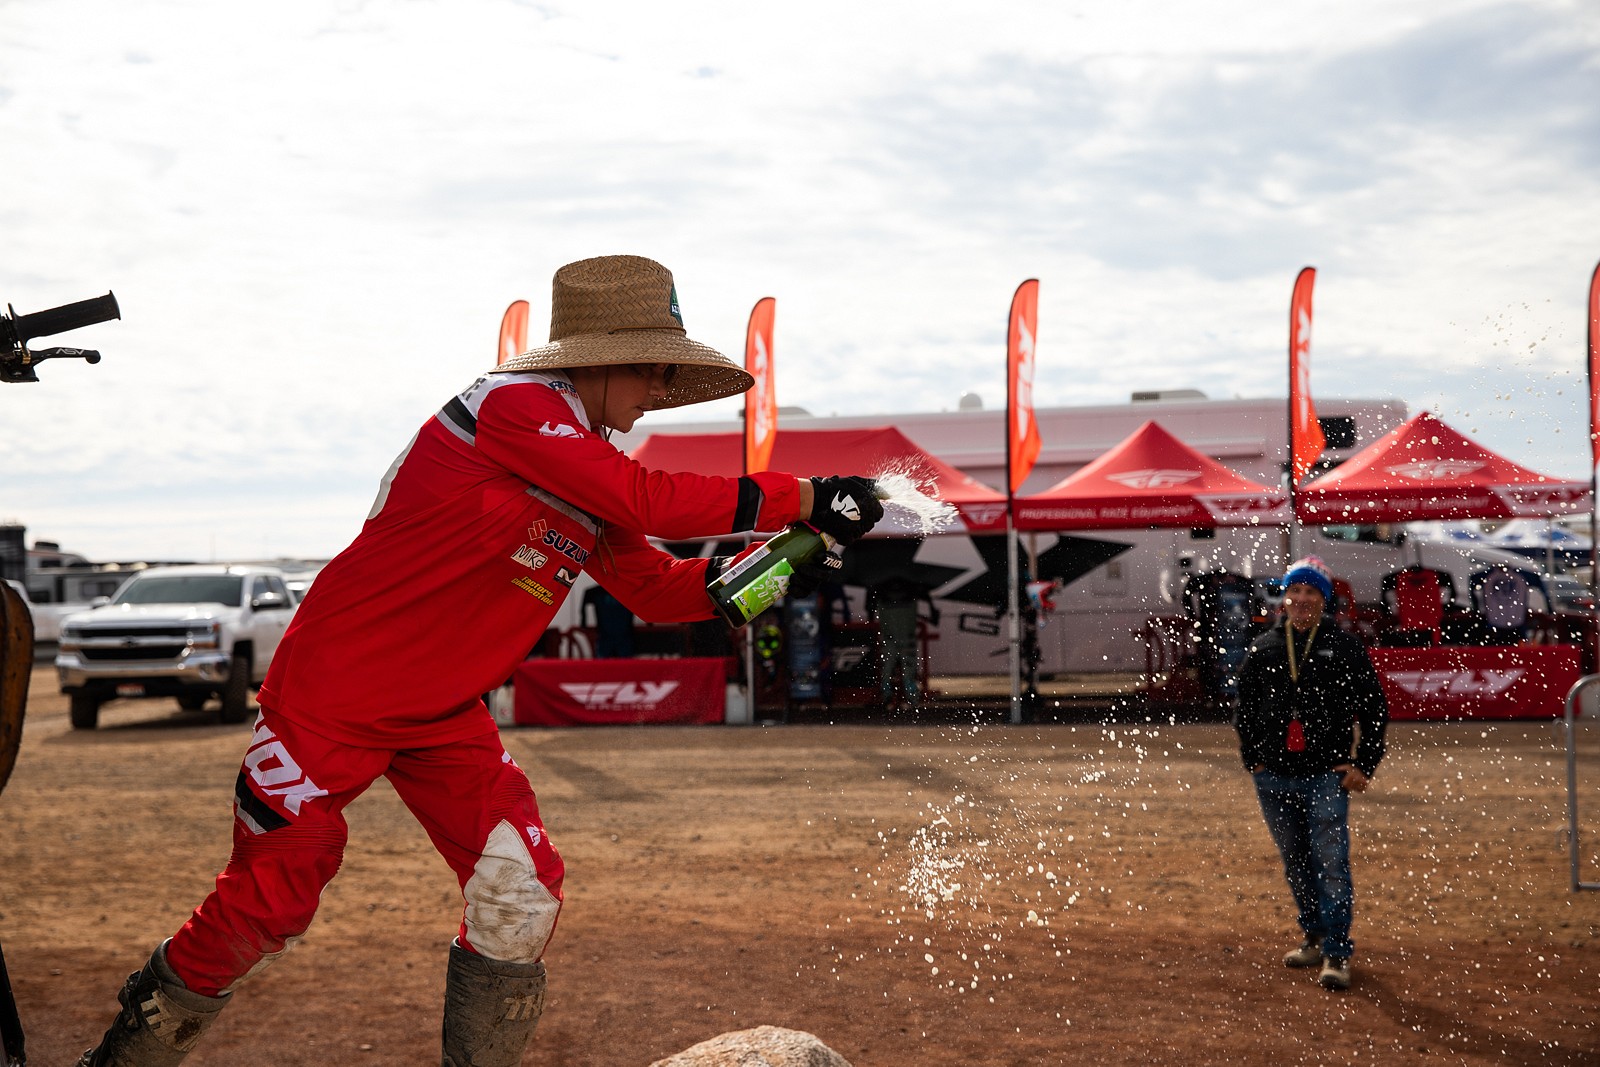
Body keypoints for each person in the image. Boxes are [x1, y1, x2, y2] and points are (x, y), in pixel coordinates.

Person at [75, 254, 884, 1066]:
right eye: (654, 369)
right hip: (334, 690)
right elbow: (648, 499)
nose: (657, 392)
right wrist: (806, 494)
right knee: (270, 900)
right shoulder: (516, 402)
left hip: (441, 714)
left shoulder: (585, 458)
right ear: (604, 354)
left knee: (521, 889)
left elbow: (661, 591)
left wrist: (788, 557)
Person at [1234, 555, 1388, 991]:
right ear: (1285, 596)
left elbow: (1374, 708)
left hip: (1325, 774)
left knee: (1331, 863)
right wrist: (1254, 759)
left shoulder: (1344, 647)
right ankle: (1315, 936)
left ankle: (1338, 951)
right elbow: (1243, 709)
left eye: (1311, 592)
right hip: (1274, 776)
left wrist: (1364, 764)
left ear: (1324, 599)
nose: (1301, 599)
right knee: (1296, 863)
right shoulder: (1263, 646)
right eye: (1295, 591)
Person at [869, 577, 939, 710]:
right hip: (903, 639)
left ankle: (891, 698)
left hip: (894, 639)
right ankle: (908, 699)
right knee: (903, 672)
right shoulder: (912, 590)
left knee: (889, 671)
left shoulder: (879, 591)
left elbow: (870, 610)